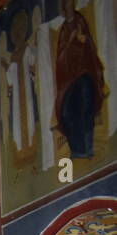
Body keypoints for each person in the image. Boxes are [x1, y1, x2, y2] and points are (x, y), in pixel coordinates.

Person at [53, 0, 106, 160]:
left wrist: (83, 39)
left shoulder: (80, 21)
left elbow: (89, 44)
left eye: (70, 4)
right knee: (66, 112)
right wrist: (70, 39)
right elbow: (61, 57)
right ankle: (76, 149)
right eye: (65, 5)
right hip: (69, 79)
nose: (68, 7)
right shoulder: (64, 30)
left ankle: (87, 147)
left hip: (84, 72)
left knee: (86, 107)